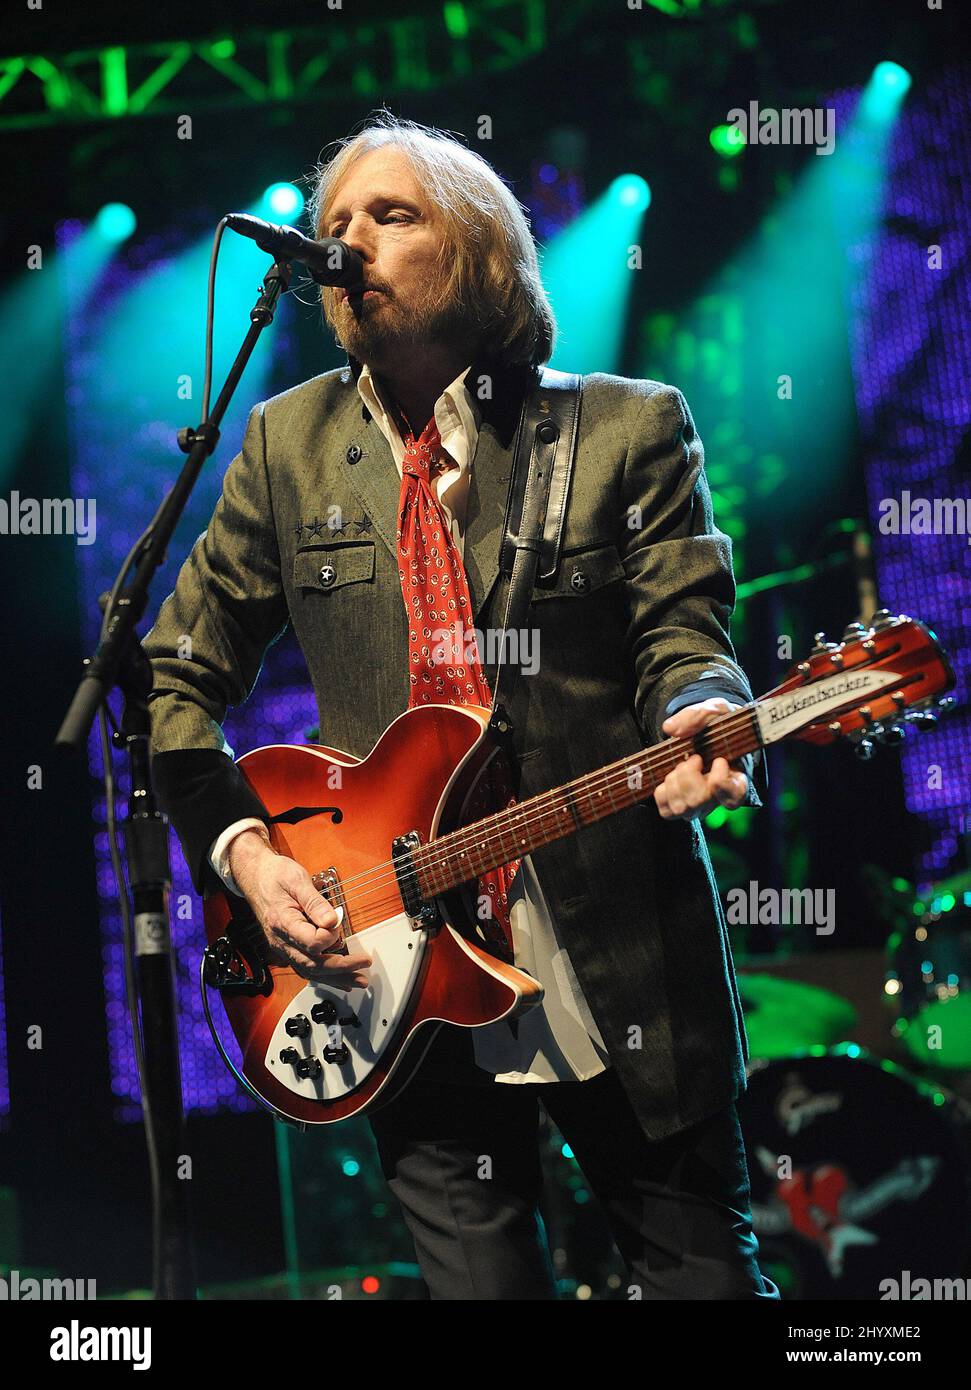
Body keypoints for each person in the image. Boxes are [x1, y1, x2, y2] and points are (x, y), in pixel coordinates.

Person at [144, 112, 779, 1301]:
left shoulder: (622, 427)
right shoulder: (287, 445)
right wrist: (243, 855)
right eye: (333, 223)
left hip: (616, 954)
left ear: (480, 249)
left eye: (390, 215)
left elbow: (683, 636)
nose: (349, 242)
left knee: (701, 1281)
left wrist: (702, 710)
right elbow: (175, 671)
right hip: (392, 976)